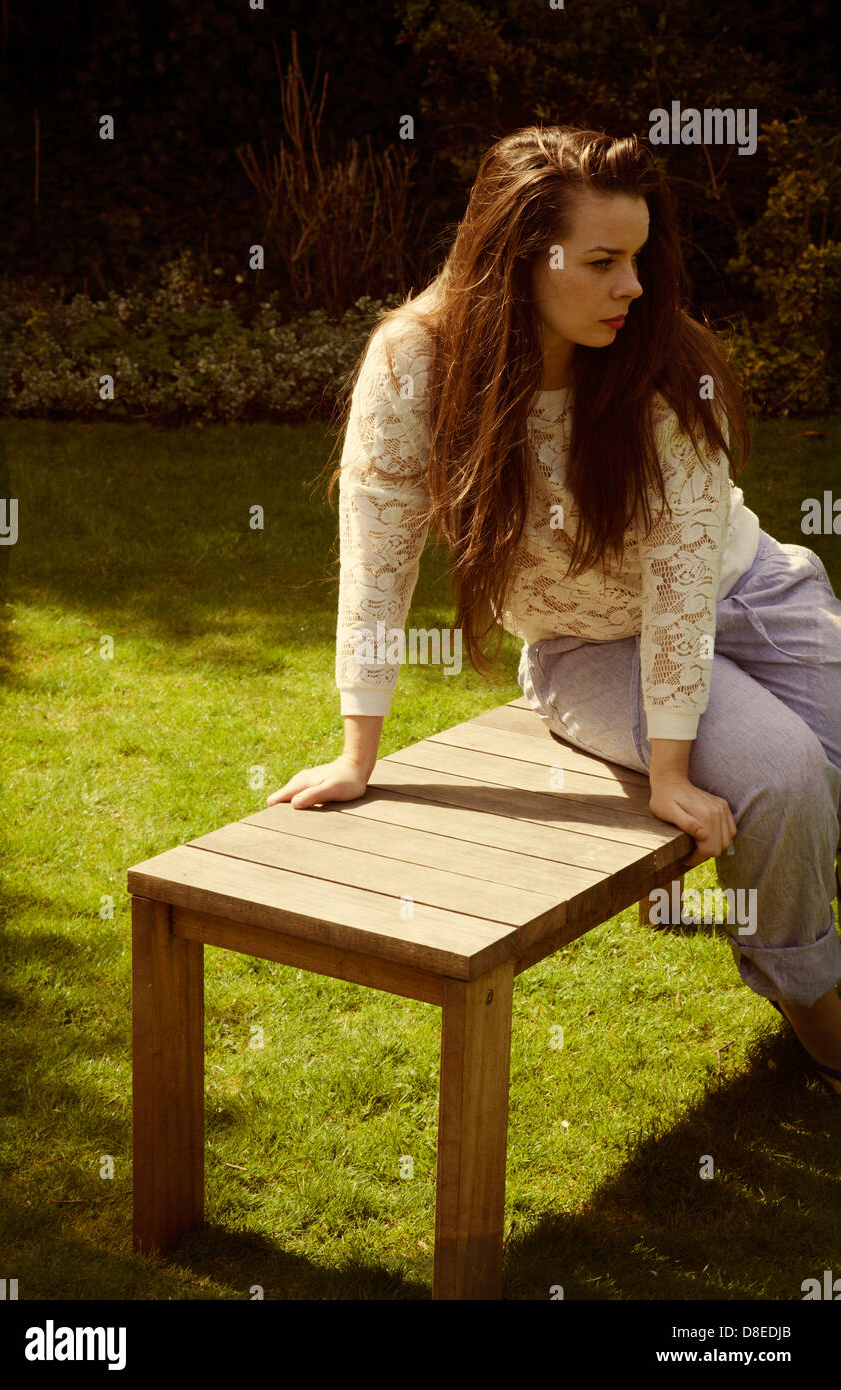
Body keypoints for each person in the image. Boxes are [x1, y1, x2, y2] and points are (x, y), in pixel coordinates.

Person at [266, 125, 841, 1095]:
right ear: (516, 258)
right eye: (603, 263)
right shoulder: (415, 364)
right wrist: (357, 750)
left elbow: (680, 569)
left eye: (639, 260)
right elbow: (377, 558)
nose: (633, 289)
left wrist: (671, 761)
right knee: (782, 777)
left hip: (744, 589)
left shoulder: (662, 365)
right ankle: (820, 1017)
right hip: (588, 647)